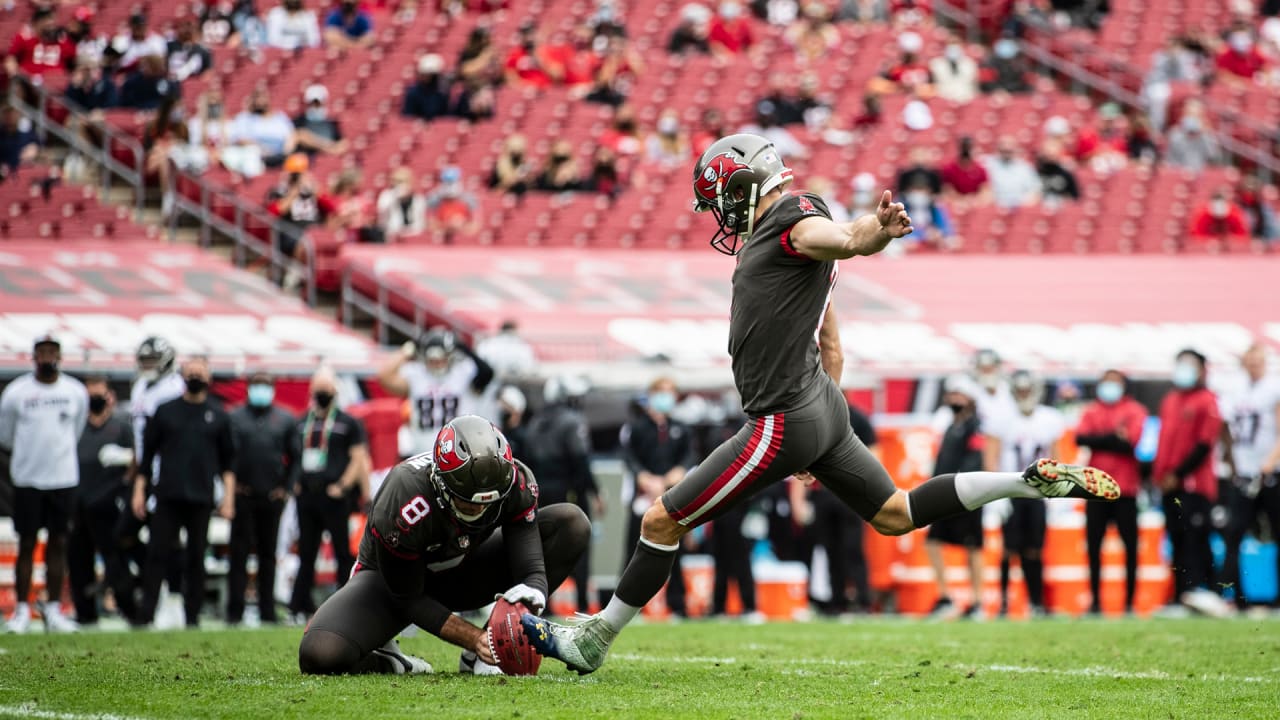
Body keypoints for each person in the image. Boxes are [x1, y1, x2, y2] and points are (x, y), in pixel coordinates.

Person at [527, 133, 1120, 674]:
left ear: (743, 184)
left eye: (722, 199)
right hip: (819, 406)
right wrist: (824, 422)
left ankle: (595, 639)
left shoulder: (791, 218)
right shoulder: (792, 235)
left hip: (784, 414)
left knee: (661, 519)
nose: (722, 215)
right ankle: (1023, 481)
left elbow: (843, 239)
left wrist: (877, 232)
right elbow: (830, 337)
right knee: (894, 512)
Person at [297, 416, 590, 676]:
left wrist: (533, 593)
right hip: (392, 584)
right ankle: (392, 661)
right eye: (468, 501)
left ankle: (482, 654)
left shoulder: (515, 480)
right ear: (441, 482)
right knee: (321, 654)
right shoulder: (406, 496)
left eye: (490, 502)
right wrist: (473, 636)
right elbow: (407, 597)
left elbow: (531, 569)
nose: (479, 510)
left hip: (463, 569)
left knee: (571, 525)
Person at [131, 357, 236, 628]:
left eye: (200, 373)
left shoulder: (218, 415)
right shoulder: (165, 411)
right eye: (191, 372)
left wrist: (228, 498)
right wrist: (139, 491)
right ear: (182, 376)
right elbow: (147, 456)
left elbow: (228, 463)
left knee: (196, 557)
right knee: (157, 554)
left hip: (201, 497)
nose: (196, 377)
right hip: (167, 494)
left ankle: (192, 616)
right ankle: (146, 613)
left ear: (209, 378)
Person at [0, 334, 88, 634]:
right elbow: (6, 436)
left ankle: (53, 610)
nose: (48, 357)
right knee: (26, 543)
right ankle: (22, 609)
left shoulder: (75, 392)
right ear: (33, 356)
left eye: (53, 351)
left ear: (60, 356)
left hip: (63, 478)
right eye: (42, 352)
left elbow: (76, 431)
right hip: (28, 479)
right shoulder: (17, 393)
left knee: (59, 542)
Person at [288, 367, 369, 620]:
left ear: (335, 390)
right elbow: (292, 457)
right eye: (318, 388)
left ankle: (347, 603)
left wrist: (345, 485)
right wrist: (295, 483)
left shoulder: (348, 422)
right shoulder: (301, 422)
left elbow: (359, 458)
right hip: (307, 496)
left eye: (326, 388)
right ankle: (299, 605)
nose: (322, 393)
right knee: (306, 553)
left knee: (342, 551)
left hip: (335, 496)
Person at [1153, 349, 1230, 616]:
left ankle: (1206, 591)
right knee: (1176, 540)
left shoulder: (1207, 400)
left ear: (1202, 370)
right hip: (1168, 485)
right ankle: (1181, 596)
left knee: (1196, 538)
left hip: (1194, 486)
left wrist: (1178, 473)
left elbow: (1203, 445)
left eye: (1190, 365)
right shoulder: (1171, 400)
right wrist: (1161, 476)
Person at [983, 370, 1064, 617]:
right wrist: (995, 494)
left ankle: (1036, 602)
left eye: (1027, 389)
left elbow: (1057, 458)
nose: (1024, 394)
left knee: (1034, 549)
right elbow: (991, 458)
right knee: (1009, 548)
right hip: (1010, 489)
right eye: (1020, 390)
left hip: (1038, 493)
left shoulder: (1049, 418)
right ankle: (1005, 604)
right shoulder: (1001, 419)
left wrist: (1056, 491)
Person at [523, 375, 602, 614]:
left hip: (539, 493)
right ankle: (582, 604)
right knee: (579, 544)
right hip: (570, 492)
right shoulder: (572, 421)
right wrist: (595, 492)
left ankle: (542, 605)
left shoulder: (535, 422)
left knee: (543, 549)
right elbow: (581, 459)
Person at [792, 401, 878, 615]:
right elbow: (801, 460)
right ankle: (836, 598)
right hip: (823, 491)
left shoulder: (856, 418)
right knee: (830, 549)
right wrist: (799, 500)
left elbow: (874, 457)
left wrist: (868, 492)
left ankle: (862, 599)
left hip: (848, 491)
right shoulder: (814, 417)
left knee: (852, 549)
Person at [227, 372, 300, 625]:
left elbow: (296, 457)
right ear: (248, 388)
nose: (261, 390)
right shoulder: (235, 417)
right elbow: (224, 454)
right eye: (257, 385)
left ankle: (267, 611)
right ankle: (234, 611)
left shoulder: (285, 418)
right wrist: (231, 485)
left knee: (268, 555)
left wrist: (286, 488)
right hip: (242, 495)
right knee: (238, 553)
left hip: (271, 497)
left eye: (266, 385)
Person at [126, 336, 187, 627]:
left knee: (167, 542)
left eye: (153, 361)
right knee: (126, 536)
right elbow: (141, 438)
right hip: (145, 470)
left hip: (167, 475)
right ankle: (155, 595)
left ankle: (172, 597)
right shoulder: (140, 386)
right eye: (145, 361)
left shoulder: (175, 389)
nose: (147, 367)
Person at [1075, 369, 1146, 616]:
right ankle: (1095, 601)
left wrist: (1100, 439)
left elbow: (1131, 443)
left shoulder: (1134, 410)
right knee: (1094, 546)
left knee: (1130, 546)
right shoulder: (1092, 410)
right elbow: (1080, 438)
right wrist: (1113, 438)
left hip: (1125, 488)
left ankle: (1129, 602)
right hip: (1095, 488)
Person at [619, 378, 692, 617]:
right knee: (635, 551)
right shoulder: (638, 428)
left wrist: (675, 474)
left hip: (672, 497)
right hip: (643, 497)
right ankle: (628, 607)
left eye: (670, 393)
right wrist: (644, 477)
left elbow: (689, 457)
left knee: (675, 551)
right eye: (661, 392)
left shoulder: (681, 428)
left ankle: (678, 605)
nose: (665, 398)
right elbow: (628, 457)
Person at [68, 376, 137, 626]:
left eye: (99, 394)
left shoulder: (120, 427)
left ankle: (130, 611)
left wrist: (125, 465)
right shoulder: (76, 428)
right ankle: (85, 614)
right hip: (79, 502)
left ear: (109, 397)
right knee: (78, 561)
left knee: (115, 561)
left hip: (109, 503)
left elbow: (136, 462)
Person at [1217, 344, 1280, 611]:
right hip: (1244, 473)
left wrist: (1269, 463)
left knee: (1277, 533)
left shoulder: (1273, 388)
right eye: (1249, 360)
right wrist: (1232, 465)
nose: (1253, 364)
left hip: (1270, 473)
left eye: (1258, 360)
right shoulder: (1235, 390)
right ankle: (1236, 597)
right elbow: (1227, 430)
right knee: (1234, 533)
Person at [378, 326, 495, 458]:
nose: (437, 364)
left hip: (458, 450)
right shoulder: (416, 374)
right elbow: (384, 376)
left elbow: (488, 372)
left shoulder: (463, 372)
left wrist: (462, 347)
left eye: (441, 358)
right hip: (423, 451)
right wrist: (408, 348)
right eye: (432, 360)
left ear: (450, 355)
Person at [923, 375, 987, 620]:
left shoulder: (976, 425)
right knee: (933, 542)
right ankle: (945, 597)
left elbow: (976, 460)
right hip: (946, 494)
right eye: (952, 395)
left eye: (959, 395)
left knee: (972, 547)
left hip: (967, 492)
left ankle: (978, 601)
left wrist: (959, 484)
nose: (954, 399)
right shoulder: (951, 426)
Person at [5, 8, 76, 80]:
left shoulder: (62, 39)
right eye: (46, 19)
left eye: (52, 19)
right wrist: (15, 75)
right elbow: (10, 59)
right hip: (28, 82)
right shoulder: (25, 37)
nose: (50, 23)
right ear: (36, 23)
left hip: (55, 84)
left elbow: (73, 61)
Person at [984, 136, 1041, 209]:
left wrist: (1022, 205)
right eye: (1004, 150)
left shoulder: (1025, 168)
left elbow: (1035, 192)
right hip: (993, 208)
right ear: (998, 149)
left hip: (1019, 209)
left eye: (1009, 150)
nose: (1006, 151)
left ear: (1015, 149)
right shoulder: (988, 164)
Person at [293, 84, 347, 157]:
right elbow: (300, 136)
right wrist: (329, 147)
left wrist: (313, 141)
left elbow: (342, 144)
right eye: (312, 103)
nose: (315, 106)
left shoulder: (331, 124)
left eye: (317, 103)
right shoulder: (299, 121)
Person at [375, 166, 428, 241]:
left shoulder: (418, 198)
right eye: (399, 182)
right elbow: (382, 212)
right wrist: (396, 197)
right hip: (391, 234)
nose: (401, 185)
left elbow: (420, 220)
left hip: (413, 235)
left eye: (404, 181)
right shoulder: (387, 195)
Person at [402, 54, 454, 122]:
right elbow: (408, 116)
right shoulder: (412, 93)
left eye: (429, 75)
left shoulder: (442, 94)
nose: (425, 77)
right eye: (424, 74)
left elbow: (445, 116)